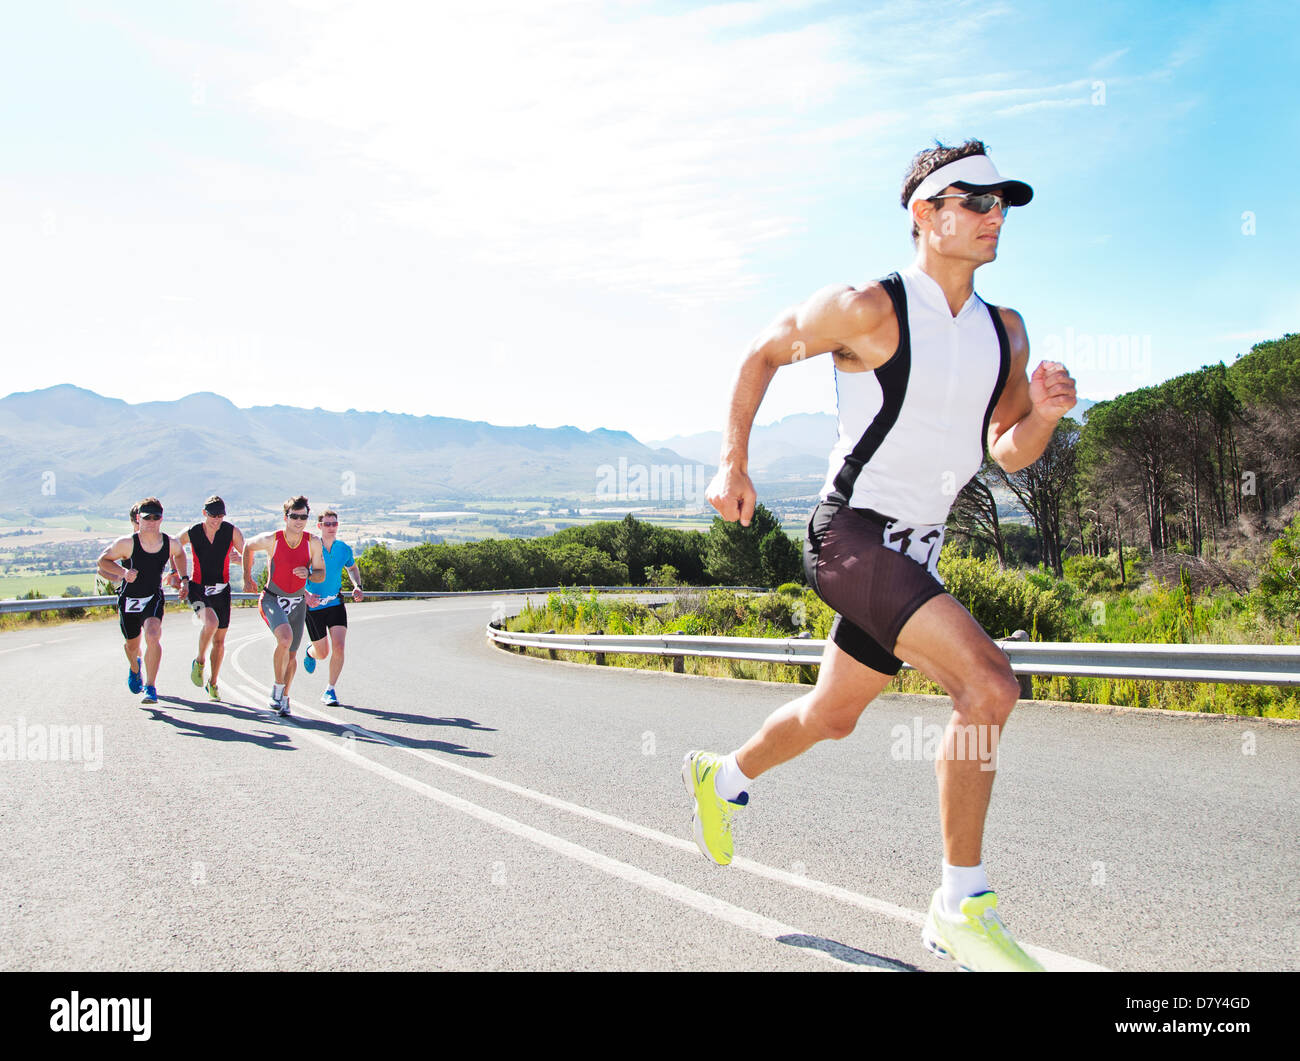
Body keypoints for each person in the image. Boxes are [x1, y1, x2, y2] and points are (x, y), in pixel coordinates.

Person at [685, 140, 1076, 972]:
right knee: (989, 684)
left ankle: (721, 778)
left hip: (914, 556)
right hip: (849, 536)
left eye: (1002, 203)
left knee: (832, 716)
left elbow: (1006, 449)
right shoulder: (869, 308)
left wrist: (1040, 413)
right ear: (926, 215)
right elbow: (762, 351)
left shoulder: (1005, 332)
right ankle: (959, 904)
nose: (994, 216)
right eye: (975, 201)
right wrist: (733, 459)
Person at [97, 497, 189, 704]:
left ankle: (151, 686)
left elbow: (181, 554)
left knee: (153, 635)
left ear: (161, 519)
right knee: (131, 645)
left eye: (156, 517)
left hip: (153, 597)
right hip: (129, 599)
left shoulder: (169, 543)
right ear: (139, 518)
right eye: (147, 518)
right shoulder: (127, 543)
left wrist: (184, 580)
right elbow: (102, 561)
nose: (151, 521)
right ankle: (134, 667)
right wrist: (122, 572)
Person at [240, 496, 324, 716]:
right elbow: (248, 546)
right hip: (272, 599)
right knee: (284, 639)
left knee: (293, 655)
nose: (298, 521)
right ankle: (277, 690)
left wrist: (310, 574)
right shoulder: (273, 540)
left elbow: (320, 573)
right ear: (285, 517)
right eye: (294, 516)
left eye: (303, 517)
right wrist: (247, 578)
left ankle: (285, 698)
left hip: (298, 603)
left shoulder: (312, 542)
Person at [177, 496, 245, 701]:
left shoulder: (231, 531)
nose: (217, 520)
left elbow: (247, 555)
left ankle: (213, 683)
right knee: (211, 623)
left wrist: (240, 560)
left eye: (221, 516)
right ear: (204, 513)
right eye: (213, 516)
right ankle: (199, 662)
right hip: (198, 589)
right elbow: (172, 548)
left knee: (220, 641)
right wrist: (179, 576)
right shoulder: (193, 532)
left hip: (222, 591)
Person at [301, 509, 364, 707]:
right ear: (319, 526)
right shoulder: (310, 548)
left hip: (336, 603)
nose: (331, 527)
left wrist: (357, 585)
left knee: (339, 646)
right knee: (322, 653)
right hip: (313, 607)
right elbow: (295, 573)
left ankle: (330, 689)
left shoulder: (343, 549)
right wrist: (306, 594)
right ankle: (310, 651)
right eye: (327, 524)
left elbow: (352, 567)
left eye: (334, 524)